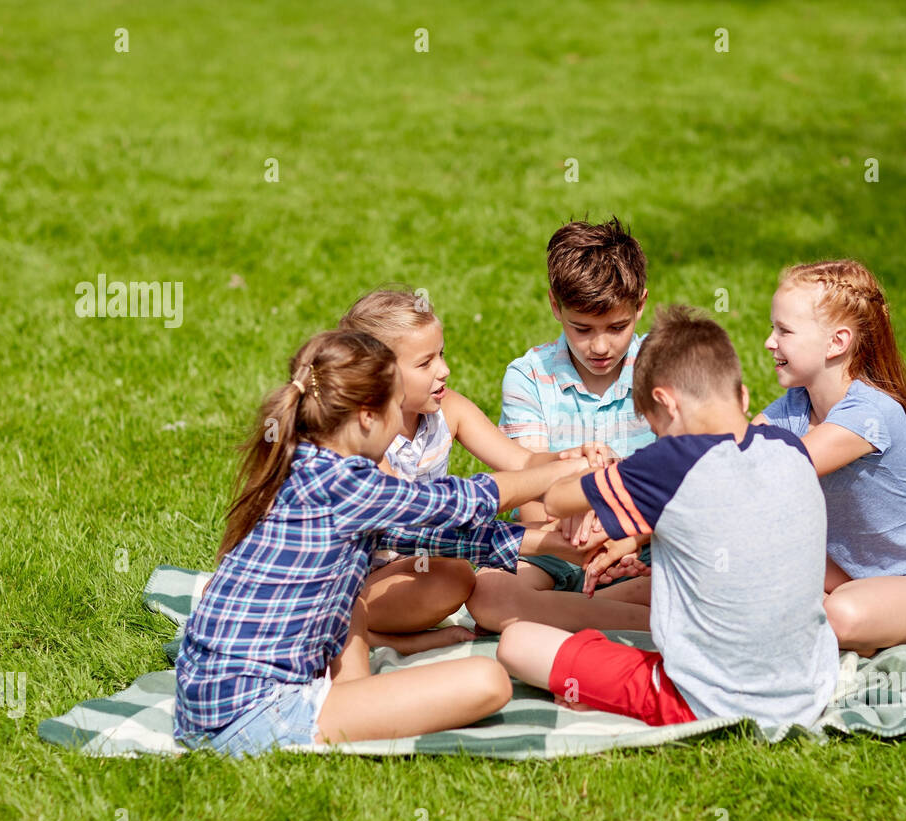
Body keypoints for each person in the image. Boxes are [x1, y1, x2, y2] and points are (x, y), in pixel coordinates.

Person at [174, 329, 589, 755]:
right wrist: (553, 474)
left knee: (351, 598)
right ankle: (351, 706)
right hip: (252, 714)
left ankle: (356, 697)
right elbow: (458, 502)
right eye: (395, 405)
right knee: (489, 681)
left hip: (213, 700)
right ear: (367, 417)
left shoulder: (309, 464)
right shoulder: (344, 483)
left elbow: (426, 536)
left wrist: (549, 542)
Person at [496, 306, 838, 731]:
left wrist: (589, 462)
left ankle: (606, 691)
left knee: (516, 643)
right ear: (743, 396)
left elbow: (557, 500)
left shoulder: (670, 462)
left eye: (654, 427)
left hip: (706, 701)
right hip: (811, 687)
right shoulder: (791, 449)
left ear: (665, 404)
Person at [337, 286, 615, 652]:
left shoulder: (446, 408)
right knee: (454, 577)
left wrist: (574, 459)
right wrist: (551, 543)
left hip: (421, 557)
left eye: (441, 355)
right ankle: (366, 635)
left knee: (462, 566)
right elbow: (418, 531)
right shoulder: (366, 438)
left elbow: (523, 464)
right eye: (425, 364)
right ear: (377, 375)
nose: (444, 370)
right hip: (358, 581)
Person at [751, 259, 906, 656]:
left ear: (837, 342)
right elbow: (728, 461)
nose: (769, 341)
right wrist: (636, 525)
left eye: (785, 331)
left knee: (840, 616)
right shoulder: (794, 407)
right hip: (858, 576)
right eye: (772, 328)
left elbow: (776, 470)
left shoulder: (868, 414)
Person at [469, 217, 658, 634]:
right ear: (556, 306)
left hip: (642, 543)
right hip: (552, 541)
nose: (601, 346)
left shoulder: (664, 369)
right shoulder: (529, 376)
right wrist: (575, 541)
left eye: (617, 327)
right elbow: (529, 491)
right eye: (582, 329)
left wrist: (628, 538)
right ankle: (619, 615)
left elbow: (682, 486)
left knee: (691, 579)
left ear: (640, 304)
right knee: (487, 592)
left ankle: (572, 610)